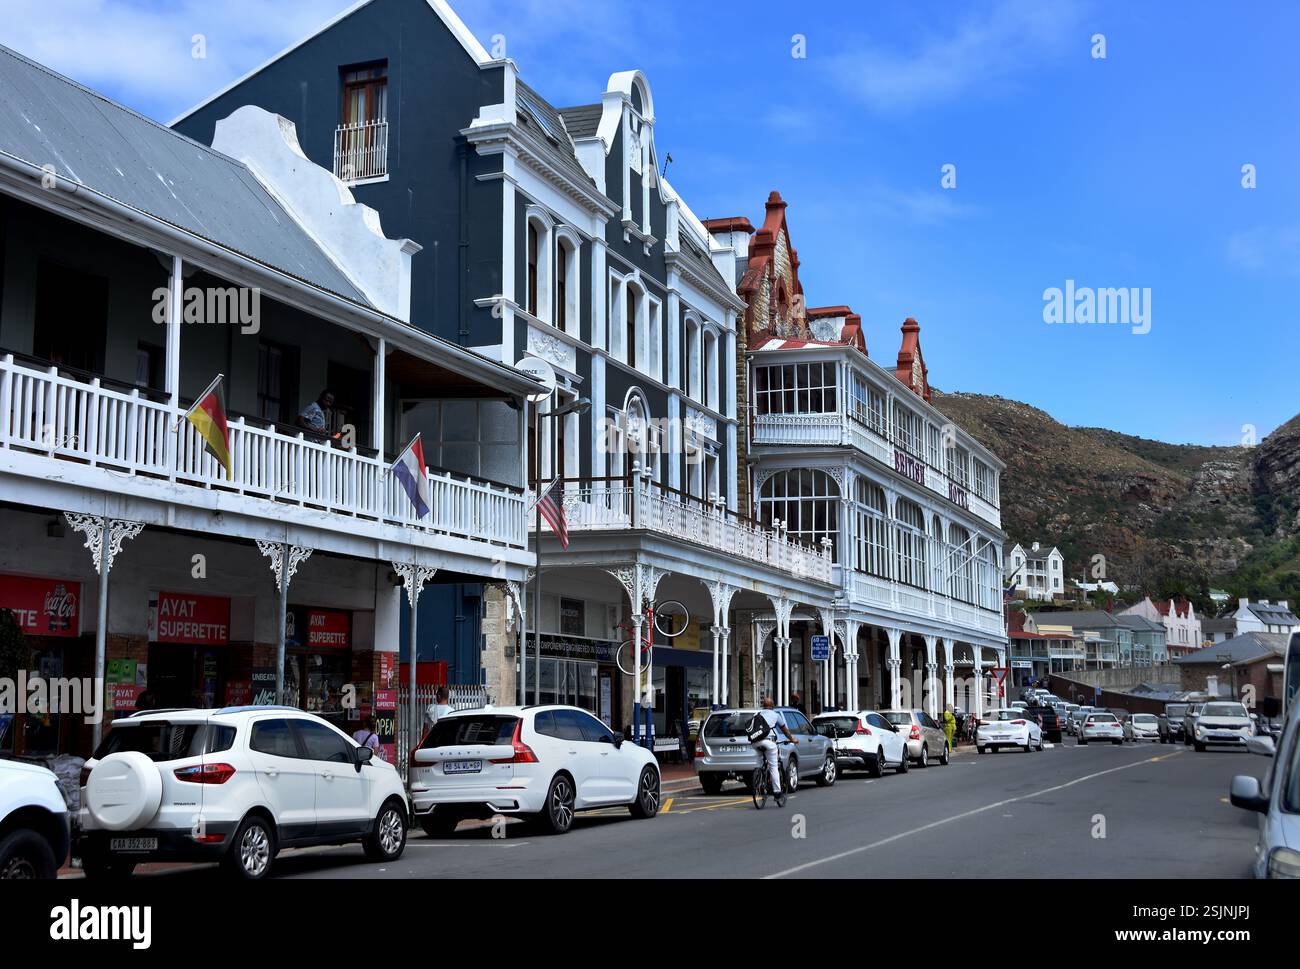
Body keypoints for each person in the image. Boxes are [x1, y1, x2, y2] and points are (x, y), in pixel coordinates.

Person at [751, 695, 798, 807]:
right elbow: (785, 731)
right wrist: (792, 739)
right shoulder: (776, 715)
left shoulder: (757, 715)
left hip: (755, 742)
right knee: (773, 766)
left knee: (759, 763)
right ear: (772, 706)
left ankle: (758, 777)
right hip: (769, 742)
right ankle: (777, 792)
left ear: (763, 706)